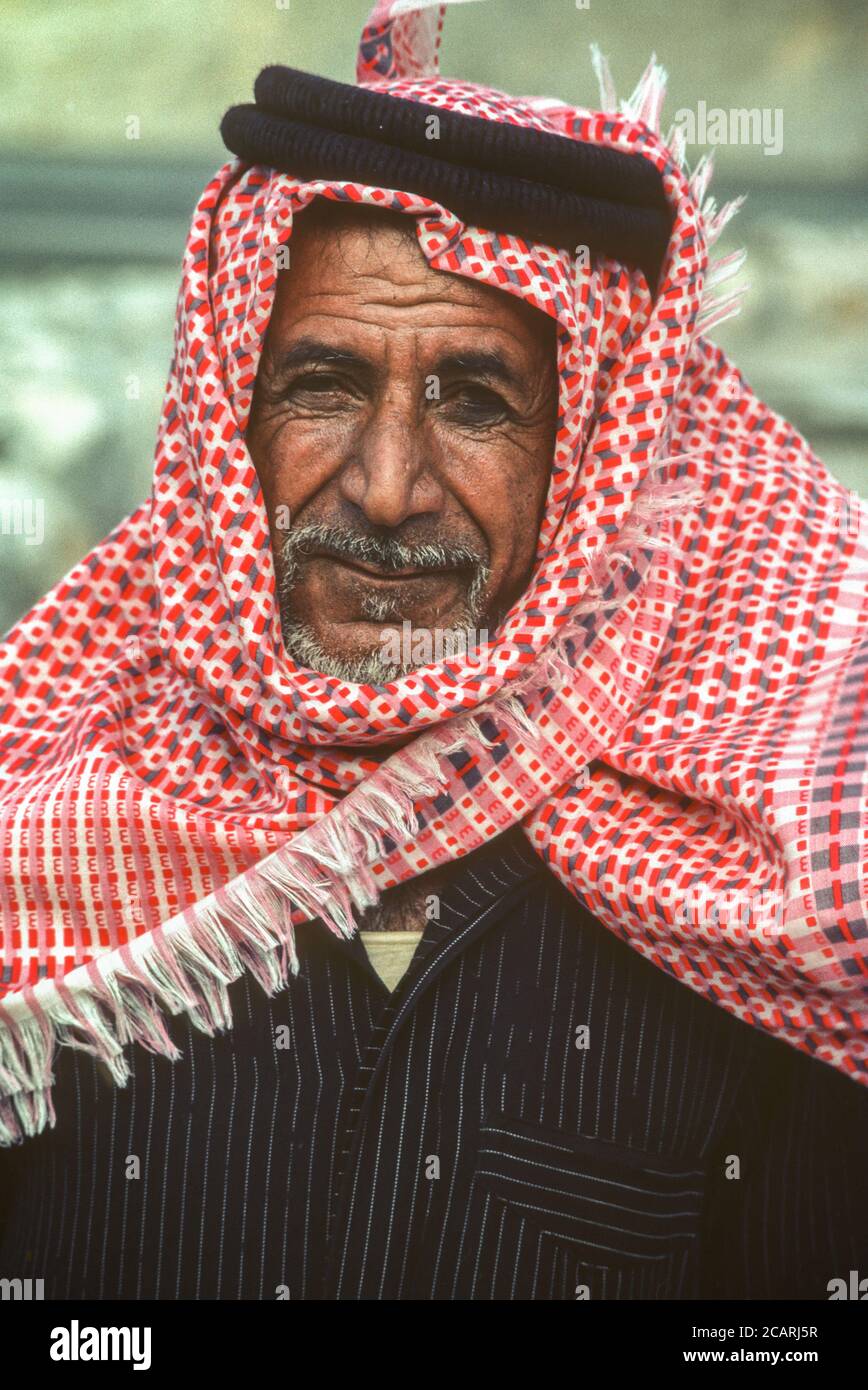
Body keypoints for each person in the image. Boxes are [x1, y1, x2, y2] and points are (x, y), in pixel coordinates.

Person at [0, 0, 866, 1300]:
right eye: (324, 386)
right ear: (230, 421)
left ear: (583, 462)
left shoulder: (737, 911)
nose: (390, 486)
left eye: (476, 402)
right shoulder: (42, 846)